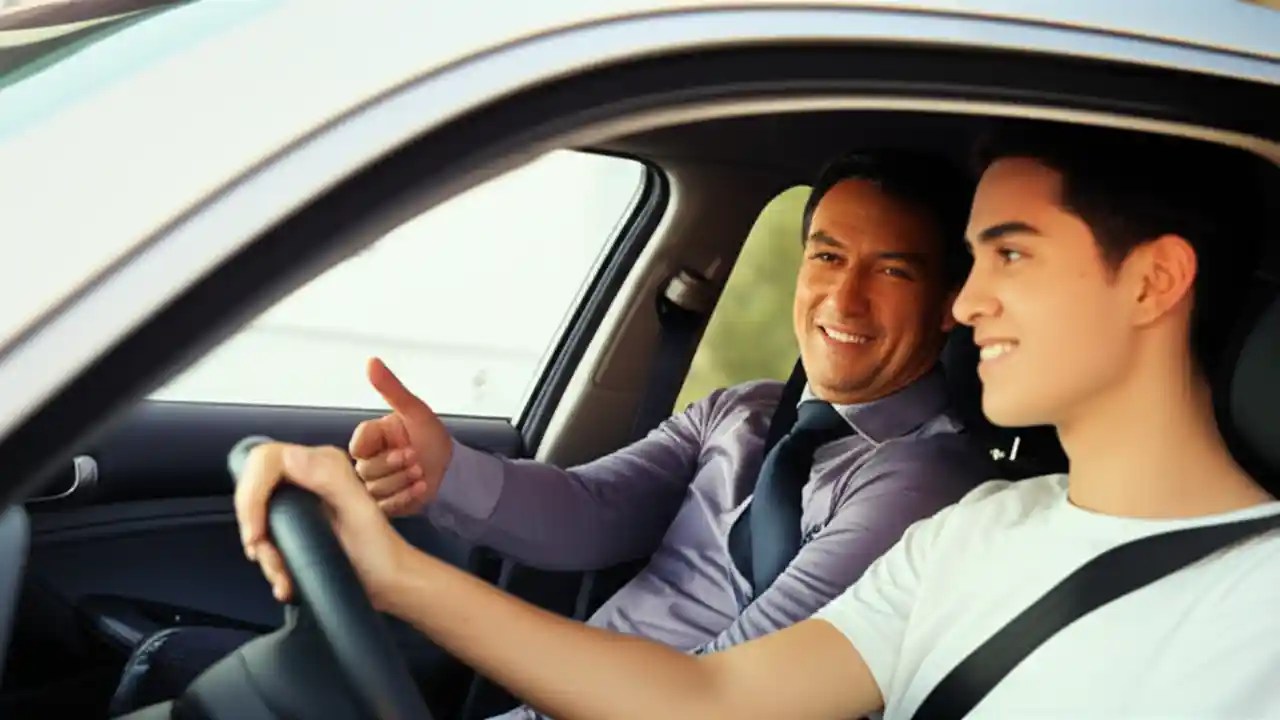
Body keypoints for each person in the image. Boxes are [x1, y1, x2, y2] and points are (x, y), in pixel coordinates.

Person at [236, 120, 1280, 719]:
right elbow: (709, 703)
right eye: (826, 256)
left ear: (1152, 282)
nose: (967, 306)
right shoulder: (972, 537)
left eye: (1003, 256)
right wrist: (398, 564)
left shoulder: (1251, 609)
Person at [111, 149, 993, 715]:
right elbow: (589, 509)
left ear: (950, 306)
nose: (843, 299)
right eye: (828, 256)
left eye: (893, 271)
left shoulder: (923, 481)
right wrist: (446, 468)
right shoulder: (746, 411)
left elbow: (725, 687)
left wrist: (411, 585)